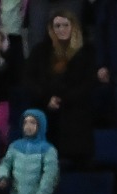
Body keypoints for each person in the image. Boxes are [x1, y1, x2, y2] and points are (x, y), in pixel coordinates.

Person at [23, 11, 99, 167]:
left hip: (76, 115)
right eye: (57, 26)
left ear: (74, 27)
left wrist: (63, 100)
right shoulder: (41, 51)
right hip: (46, 111)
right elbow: (29, 79)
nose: (61, 30)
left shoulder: (86, 51)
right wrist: (46, 98)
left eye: (65, 25)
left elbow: (88, 83)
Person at [0, 108, 62, 194]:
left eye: (32, 123)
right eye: (25, 123)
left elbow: (50, 176)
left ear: (41, 125)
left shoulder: (48, 149)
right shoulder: (14, 146)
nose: (28, 126)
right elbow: (5, 163)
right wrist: (3, 177)